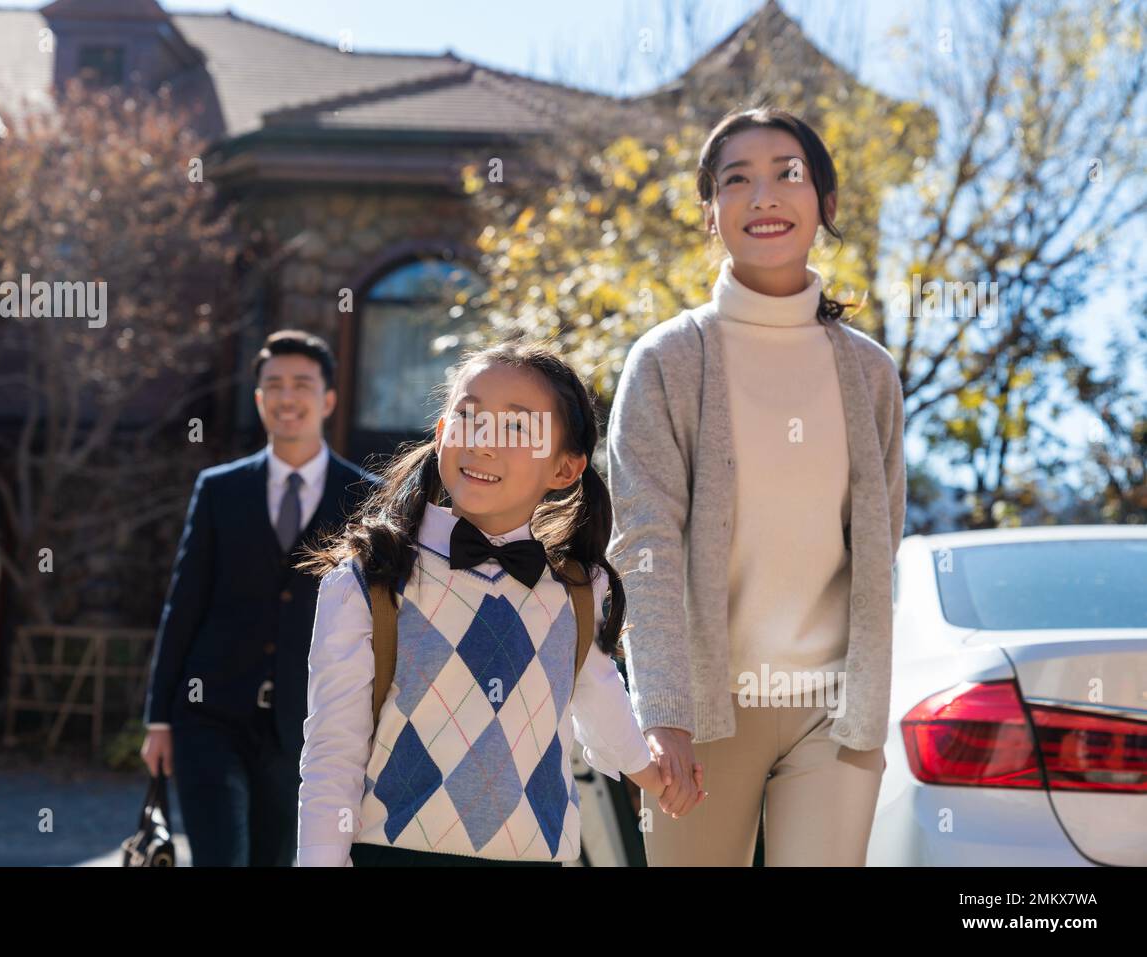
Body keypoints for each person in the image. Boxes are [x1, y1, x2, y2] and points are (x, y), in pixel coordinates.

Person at [607, 106, 907, 866]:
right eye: (736, 180)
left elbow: (882, 543)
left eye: (789, 174)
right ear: (712, 214)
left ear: (827, 205)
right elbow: (642, 545)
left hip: (833, 716)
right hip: (704, 716)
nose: (764, 195)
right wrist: (663, 710)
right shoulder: (668, 359)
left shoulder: (870, 372)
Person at [294, 340, 705, 866]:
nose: (483, 443)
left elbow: (601, 700)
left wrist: (657, 776)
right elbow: (332, 754)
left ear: (565, 468)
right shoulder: (370, 578)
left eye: (516, 428)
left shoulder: (578, 592)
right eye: (468, 418)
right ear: (441, 435)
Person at [141, 330, 380, 866]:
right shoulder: (219, 489)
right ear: (258, 399)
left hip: (303, 722)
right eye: (274, 385)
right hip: (209, 714)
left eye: (302, 384)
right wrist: (158, 718)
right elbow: (183, 605)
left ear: (328, 399)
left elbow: (376, 615)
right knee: (219, 856)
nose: (287, 397)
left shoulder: (363, 495)